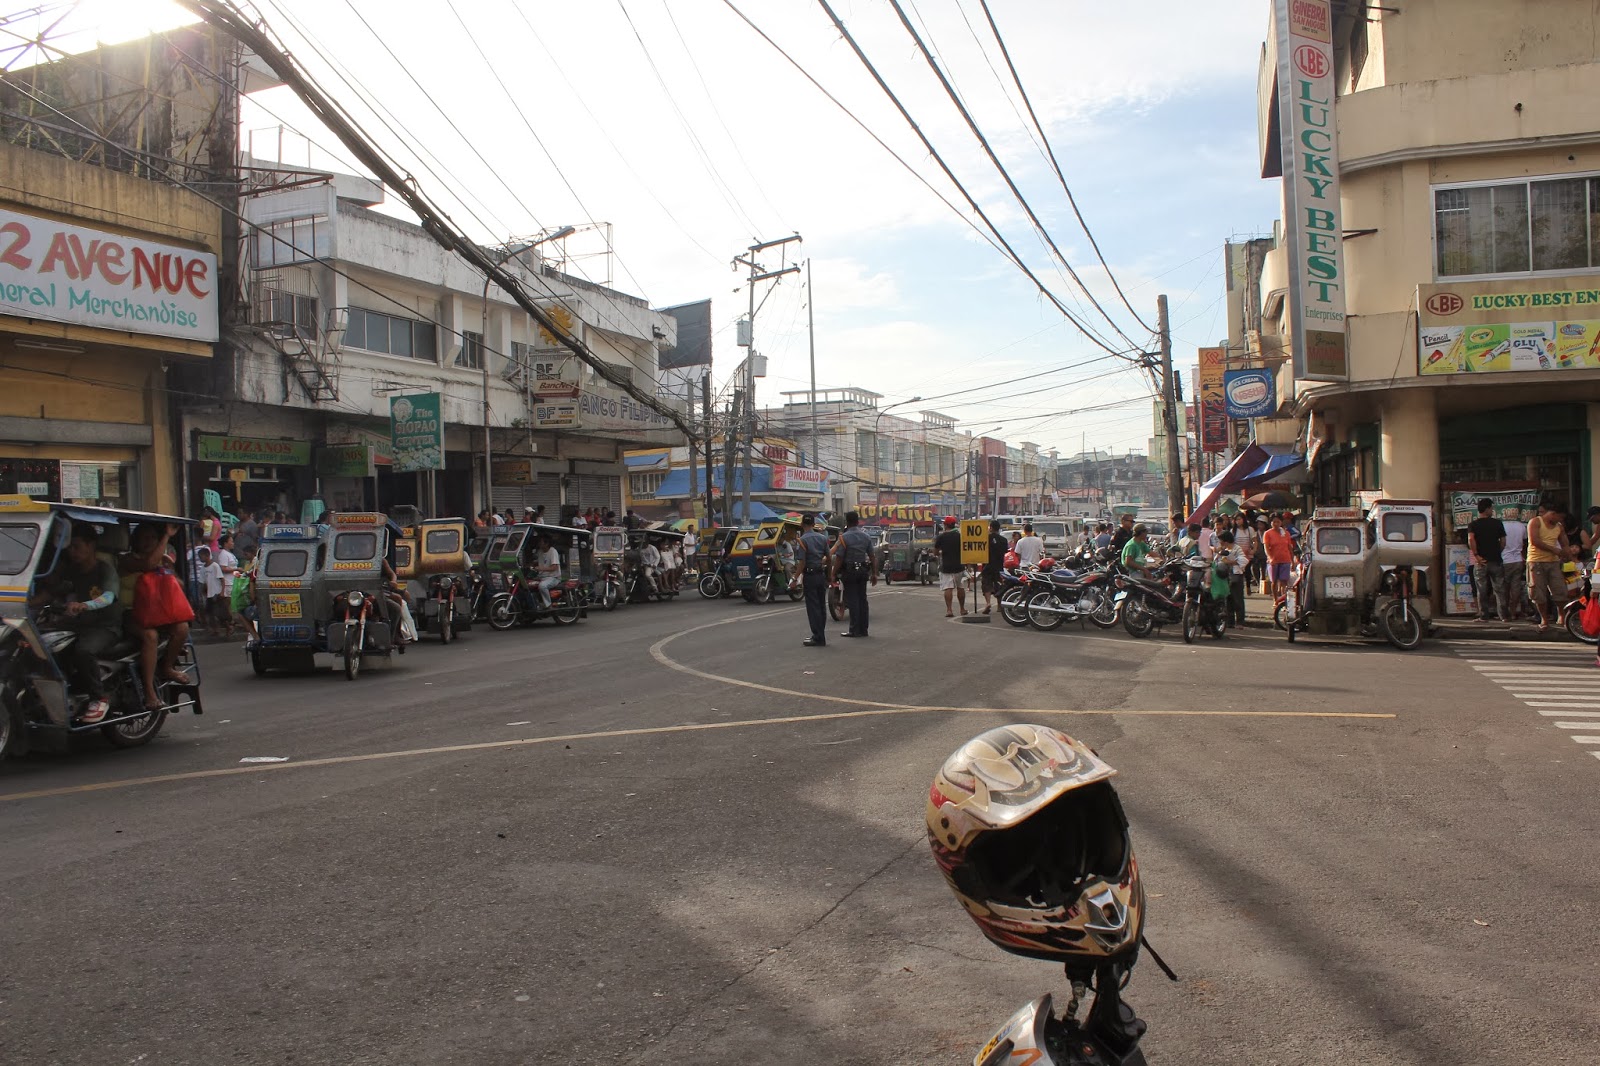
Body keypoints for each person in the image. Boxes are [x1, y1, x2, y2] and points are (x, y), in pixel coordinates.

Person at [30, 522, 122, 723]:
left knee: (83, 650)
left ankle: (99, 698)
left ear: (91, 546)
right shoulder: (72, 571)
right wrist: (25, 603)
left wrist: (85, 605)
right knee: (42, 640)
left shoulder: (105, 570)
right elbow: (49, 593)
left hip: (105, 626)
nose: (72, 552)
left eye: (76, 546)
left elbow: (108, 597)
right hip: (77, 624)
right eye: (69, 547)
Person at [120, 522, 190, 710]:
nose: (148, 541)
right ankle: (150, 692)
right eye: (144, 537)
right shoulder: (127, 559)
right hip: (130, 614)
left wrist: (169, 570)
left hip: (157, 612)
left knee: (182, 628)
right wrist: (167, 537)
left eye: (153, 538)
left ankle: (167, 667)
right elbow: (147, 564)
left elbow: (180, 587)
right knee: (150, 636)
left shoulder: (162, 560)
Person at [832, 510, 877, 637]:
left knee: (853, 601)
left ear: (847, 522)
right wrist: (874, 573)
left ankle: (854, 630)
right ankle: (864, 629)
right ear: (858, 521)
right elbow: (872, 556)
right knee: (863, 600)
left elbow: (839, 558)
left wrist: (833, 573)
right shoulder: (866, 536)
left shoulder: (844, 538)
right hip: (863, 571)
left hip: (850, 572)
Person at [1526, 498, 1569, 633]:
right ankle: (1544, 619)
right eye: (1558, 517)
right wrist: (1554, 550)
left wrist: (1567, 552)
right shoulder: (1535, 522)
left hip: (1553, 562)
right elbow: (1535, 541)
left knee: (1560, 590)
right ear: (1552, 513)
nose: (1558, 520)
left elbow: (1564, 542)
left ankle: (1561, 616)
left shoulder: (1559, 526)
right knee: (1538, 592)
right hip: (1536, 561)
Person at [1467, 498, 1508, 622]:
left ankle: (1484, 616)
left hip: (1481, 562)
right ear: (1487, 509)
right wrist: (1498, 552)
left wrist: (1476, 555)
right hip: (1496, 560)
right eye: (1491, 508)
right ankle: (1504, 616)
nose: (1492, 510)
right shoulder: (1497, 523)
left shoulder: (1473, 525)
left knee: (1481, 590)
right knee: (1499, 589)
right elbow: (1503, 541)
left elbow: (1471, 539)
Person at [797, 514, 831, 647]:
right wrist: (829, 575)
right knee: (822, 606)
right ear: (813, 524)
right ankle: (821, 634)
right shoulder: (822, 538)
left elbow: (802, 562)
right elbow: (828, 558)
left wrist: (795, 578)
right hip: (820, 574)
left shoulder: (802, 540)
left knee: (813, 607)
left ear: (802, 525)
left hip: (810, 576)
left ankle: (818, 637)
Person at [935, 515, 967, 617]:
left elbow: (935, 552)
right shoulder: (960, 536)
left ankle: (949, 610)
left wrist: (941, 552)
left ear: (945, 525)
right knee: (960, 587)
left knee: (948, 588)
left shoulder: (941, 537)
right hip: (959, 566)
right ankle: (962, 609)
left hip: (946, 567)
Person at [1216, 529, 1248, 626]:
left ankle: (1240, 622)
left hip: (1236, 575)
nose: (1220, 542)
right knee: (1228, 599)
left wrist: (1229, 562)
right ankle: (1230, 621)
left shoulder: (1236, 549)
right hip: (1225, 576)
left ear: (1225, 540)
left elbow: (1243, 561)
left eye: (1221, 540)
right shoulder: (1224, 550)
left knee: (1237, 599)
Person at [213, 532, 241, 637]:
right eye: (231, 541)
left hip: (233, 581)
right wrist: (236, 569)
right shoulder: (223, 554)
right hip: (227, 583)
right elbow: (223, 568)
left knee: (231, 605)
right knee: (228, 606)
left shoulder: (230, 554)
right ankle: (230, 624)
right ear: (225, 543)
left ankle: (230, 625)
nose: (233, 543)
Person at [1502, 511, 1529, 619]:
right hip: (1518, 559)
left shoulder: (1502, 525)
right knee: (1515, 587)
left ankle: (1505, 613)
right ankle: (1513, 612)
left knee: (1504, 588)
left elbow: (1501, 542)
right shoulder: (1521, 526)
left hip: (1505, 559)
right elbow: (1525, 542)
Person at [1261, 513, 1295, 601]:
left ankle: (1284, 601)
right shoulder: (1267, 533)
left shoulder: (1286, 533)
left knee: (1284, 581)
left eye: (1278, 522)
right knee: (1274, 581)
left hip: (1285, 559)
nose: (1276, 524)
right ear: (1271, 523)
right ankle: (1275, 600)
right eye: (1274, 522)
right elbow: (1266, 548)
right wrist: (1270, 558)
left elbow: (1289, 548)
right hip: (1273, 561)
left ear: (1281, 522)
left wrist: (1292, 561)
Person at [982, 520, 1008, 614]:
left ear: (991, 528)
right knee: (999, 585)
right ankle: (999, 605)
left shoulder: (985, 539)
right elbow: (1005, 553)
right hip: (999, 566)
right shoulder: (1004, 540)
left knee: (986, 585)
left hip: (987, 565)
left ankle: (988, 603)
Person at [534, 533, 564, 608]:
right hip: (541, 577)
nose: (539, 544)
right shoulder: (540, 552)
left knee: (542, 586)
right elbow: (536, 562)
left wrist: (541, 568)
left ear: (546, 543)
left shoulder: (553, 551)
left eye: (541, 542)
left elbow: (554, 567)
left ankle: (548, 604)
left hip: (553, 578)